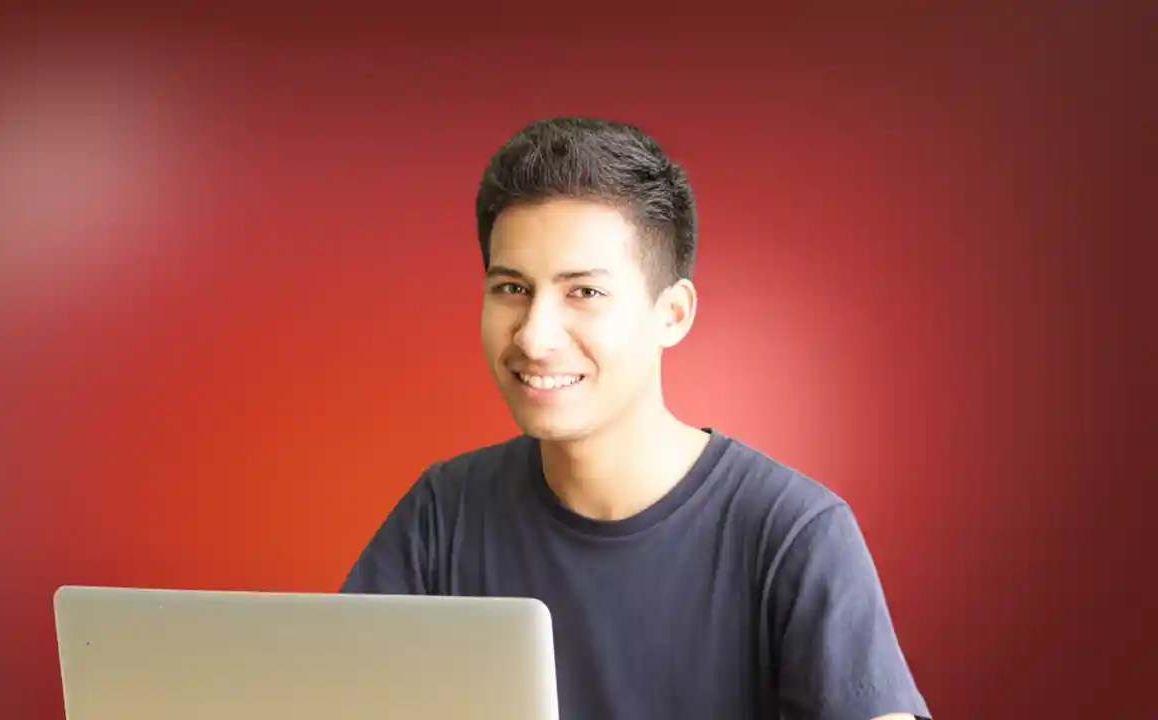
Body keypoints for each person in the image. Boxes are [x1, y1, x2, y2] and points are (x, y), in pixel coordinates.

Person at [340, 116, 931, 720]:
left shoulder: (795, 533)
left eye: (584, 293)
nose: (535, 336)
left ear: (672, 314)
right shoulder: (445, 511)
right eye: (512, 288)